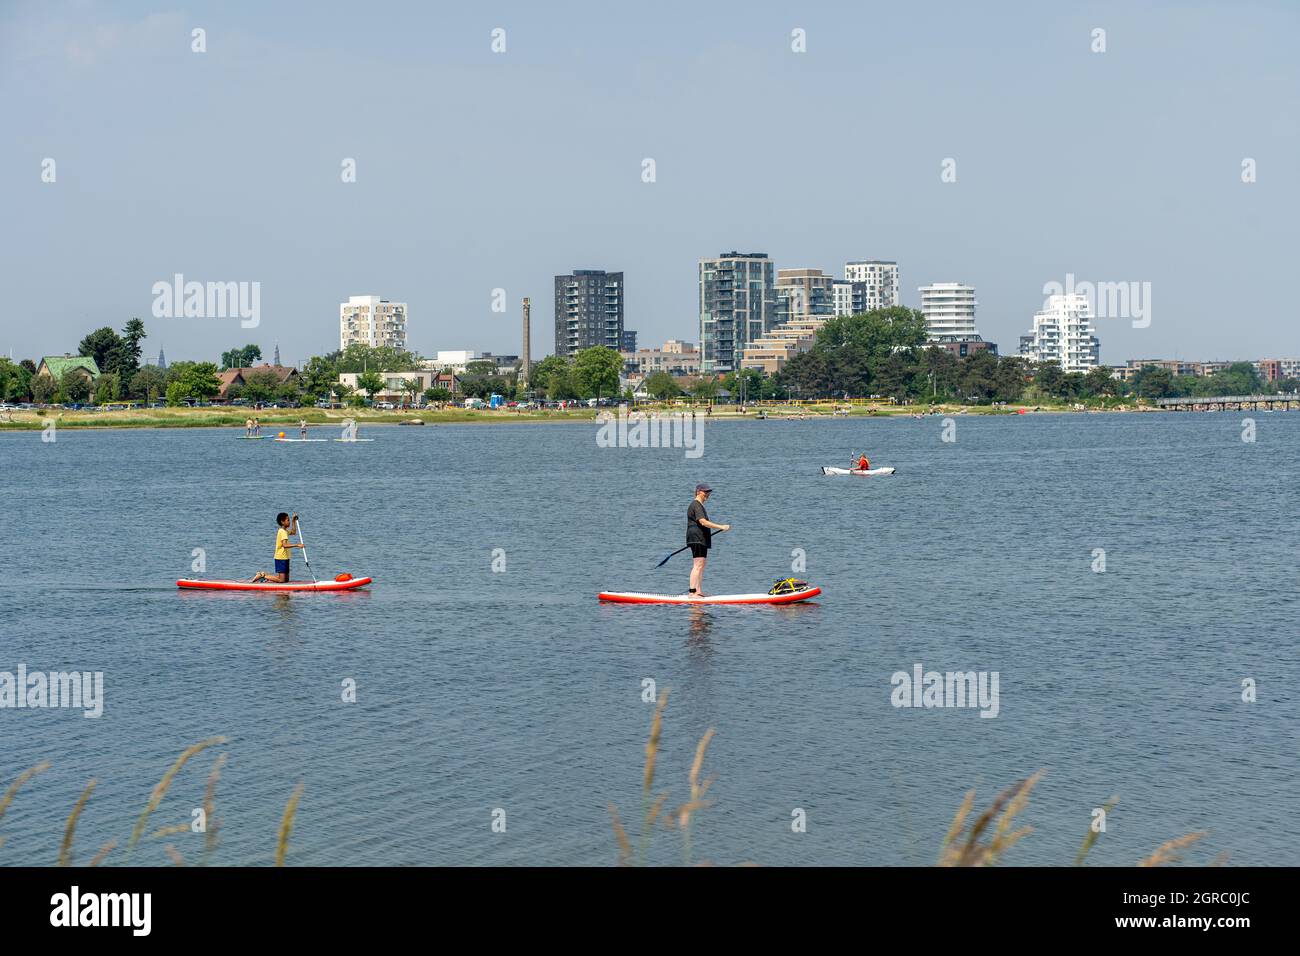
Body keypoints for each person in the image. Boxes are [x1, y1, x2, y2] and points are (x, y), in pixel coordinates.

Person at [686, 483, 730, 599]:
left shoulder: (699, 505)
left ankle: (698, 591)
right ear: (698, 492)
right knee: (697, 565)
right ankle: (692, 592)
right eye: (705, 492)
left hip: (701, 538)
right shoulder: (696, 505)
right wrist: (721, 527)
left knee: (701, 565)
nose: (708, 495)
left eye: (709, 492)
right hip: (697, 537)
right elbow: (703, 522)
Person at [250, 512, 302, 583]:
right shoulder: (282, 532)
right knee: (282, 580)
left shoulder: (284, 531)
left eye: (289, 520)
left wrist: (293, 521)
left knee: (285, 580)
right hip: (281, 557)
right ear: (282, 522)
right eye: (288, 520)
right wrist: (297, 545)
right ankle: (262, 575)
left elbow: (293, 532)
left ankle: (264, 576)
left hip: (285, 557)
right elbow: (285, 545)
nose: (289, 522)